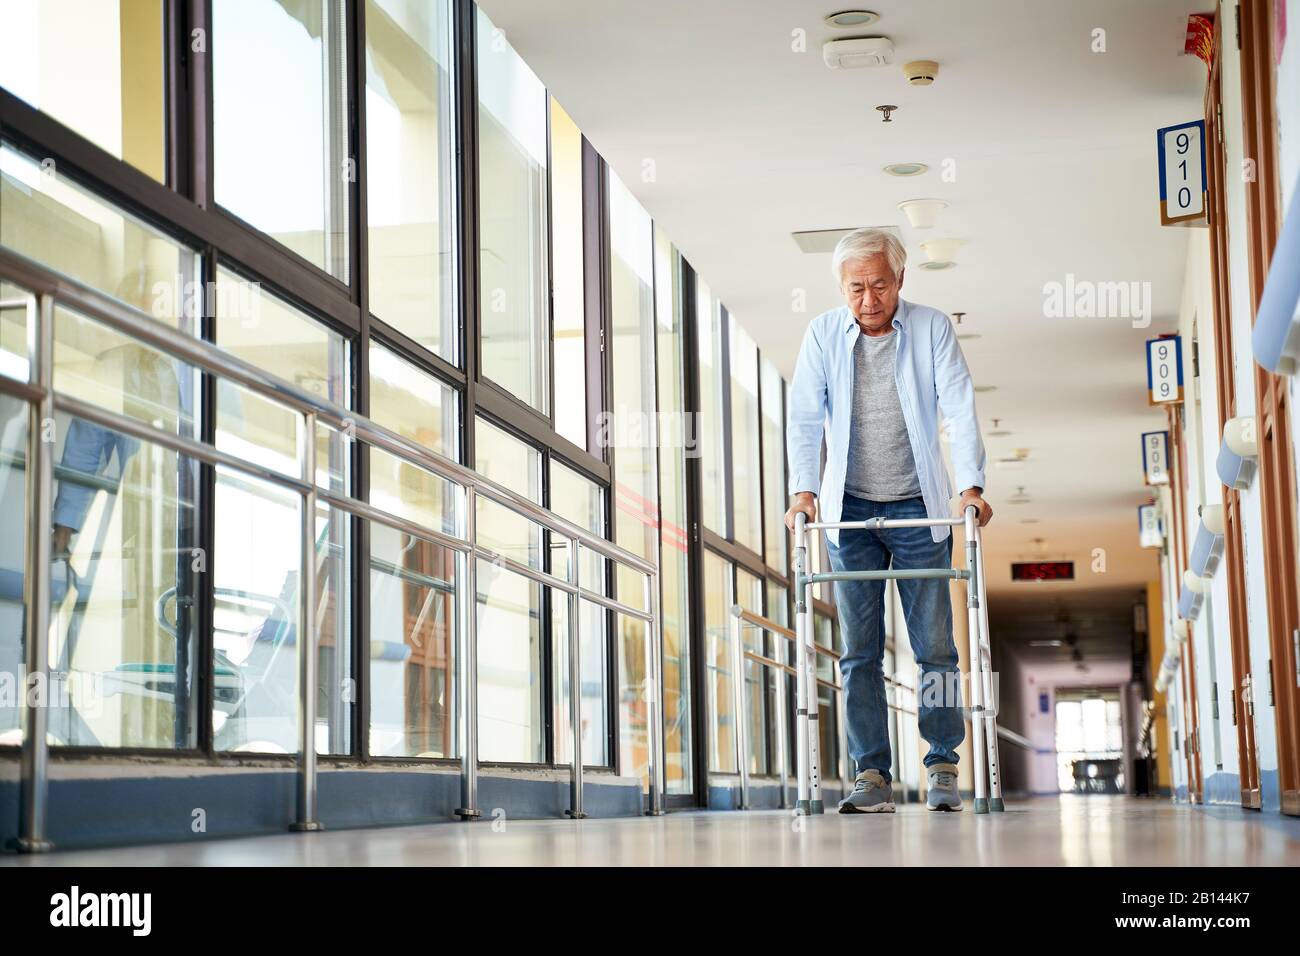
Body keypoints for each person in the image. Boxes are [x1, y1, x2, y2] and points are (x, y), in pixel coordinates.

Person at [784, 227, 991, 813]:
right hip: (849, 513)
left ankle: (943, 765)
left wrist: (970, 486)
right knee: (858, 651)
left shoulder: (931, 329)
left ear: (901, 279)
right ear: (840, 288)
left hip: (919, 508)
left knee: (936, 647)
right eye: (856, 288)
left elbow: (957, 403)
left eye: (879, 285)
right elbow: (803, 417)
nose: (868, 299)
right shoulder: (822, 334)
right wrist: (803, 493)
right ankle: (871, 773)